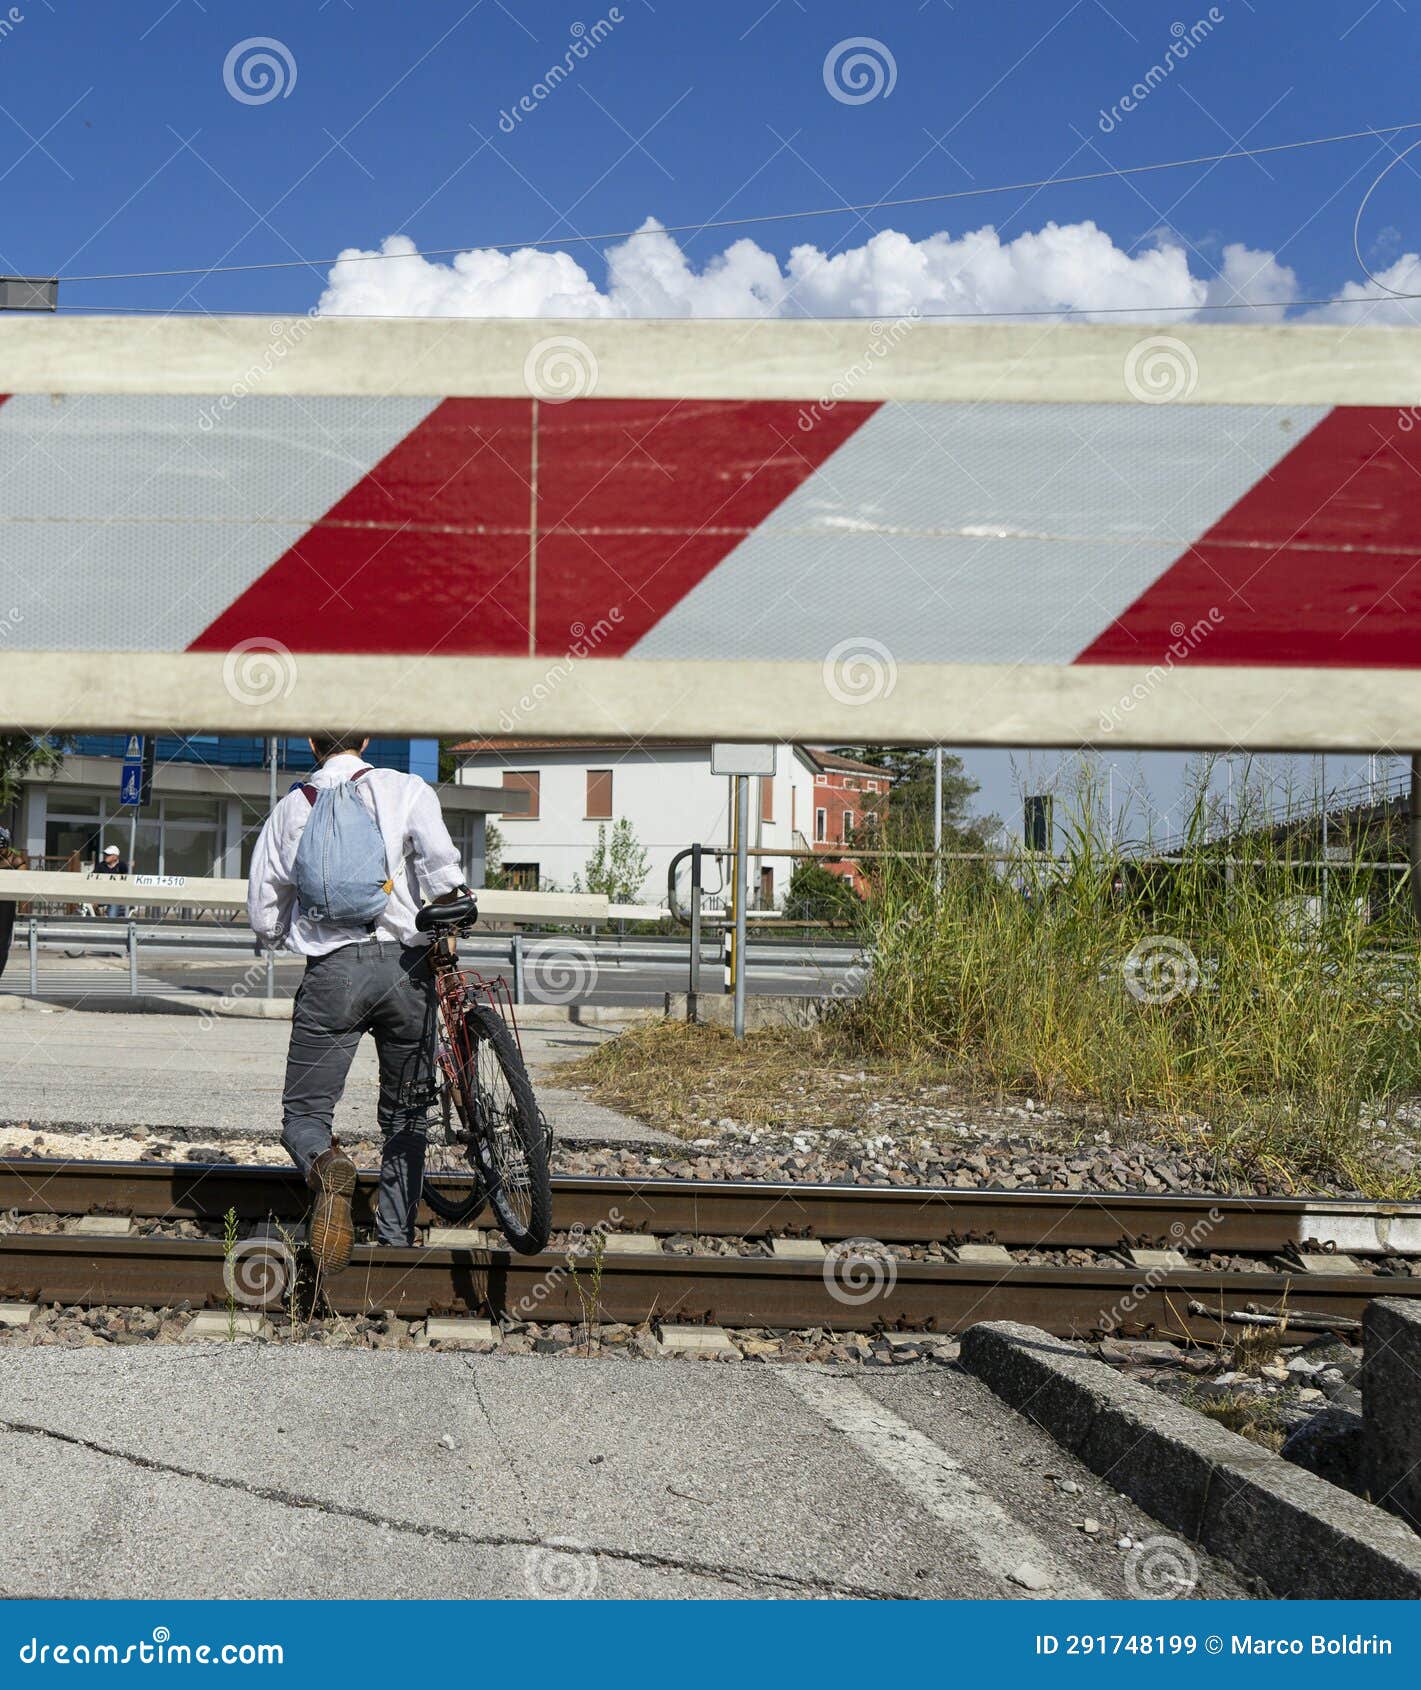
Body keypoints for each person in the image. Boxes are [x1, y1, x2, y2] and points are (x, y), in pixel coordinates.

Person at [247, 733, 470, 1269]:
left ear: (309, 741)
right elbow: (443, 870)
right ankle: (395, 1240)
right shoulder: (407, 789)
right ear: (367, 738)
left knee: (304, 1114)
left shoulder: (290, 808)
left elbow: (265, 913)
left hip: (332, 977)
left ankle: (326, 1166)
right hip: (406, 972)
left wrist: (294, 932)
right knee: (407, 1114)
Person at [0, 825, 25, 981]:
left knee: (2, 943)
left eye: (1, 849)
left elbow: (24, 882)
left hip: (6, 907)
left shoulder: (16, 860)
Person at [94, 843, 129, 919]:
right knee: (88, 905)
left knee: (112, 911)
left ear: (115, 857)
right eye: (105, 854)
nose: (106, 856)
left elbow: (127, 879)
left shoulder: (121, 865)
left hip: (115, 896)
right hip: (102, 894)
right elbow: (93, 878)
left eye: (108, 854)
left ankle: (109, 925)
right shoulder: (101, 865)